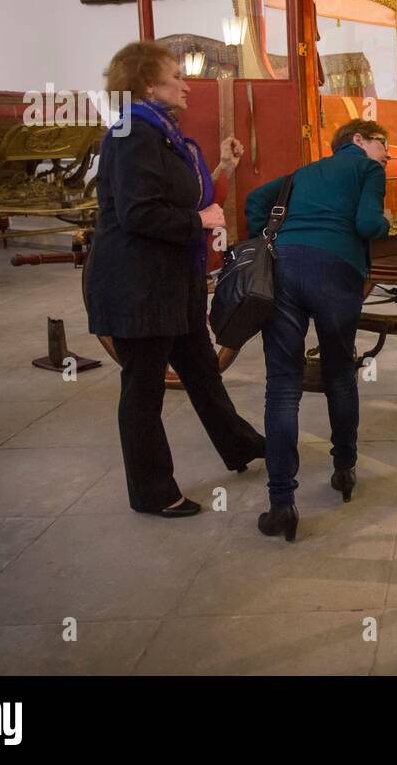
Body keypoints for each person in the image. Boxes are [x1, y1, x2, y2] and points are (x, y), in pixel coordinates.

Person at [86, 40, 265, 517]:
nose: (187, 85)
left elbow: (189, 196)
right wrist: (201, 222)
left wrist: (223, 170)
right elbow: (139, 214)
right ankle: (153, 493)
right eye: (175, 77)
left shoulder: (159, 131)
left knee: (203, 374)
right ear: (148, 85)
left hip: (169, 282)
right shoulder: (131, 132)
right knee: (142, 391)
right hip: (138, 286)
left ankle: (241, 445)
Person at [246, 119, 390, 541]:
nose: (386, 154)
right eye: (382, 144)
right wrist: (384, 222)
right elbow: (367, 225)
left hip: (285, 270)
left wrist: (266, 238)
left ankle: (280, 505)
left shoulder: (301, 173)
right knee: (339, 374)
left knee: (283, 385)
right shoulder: (369, 170)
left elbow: (257, 200)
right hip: (335, 274)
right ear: (359, 141)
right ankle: (343, 470)